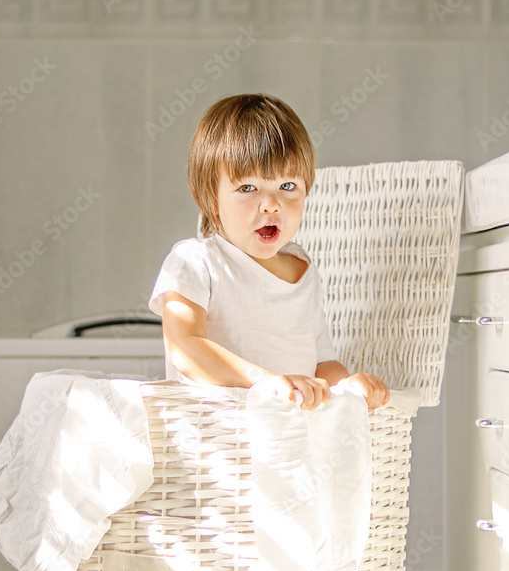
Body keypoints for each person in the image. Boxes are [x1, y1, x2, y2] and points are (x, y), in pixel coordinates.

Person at [148, 93, 389, 412]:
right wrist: (266, 382)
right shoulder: (196, 262)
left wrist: (347, 386)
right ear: (211, 196)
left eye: (288, 186)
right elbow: (184, 347)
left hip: (290, 441)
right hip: (218, 442)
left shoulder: (303, 271)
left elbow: (322, 363)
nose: (271, 204)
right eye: (248, 188)